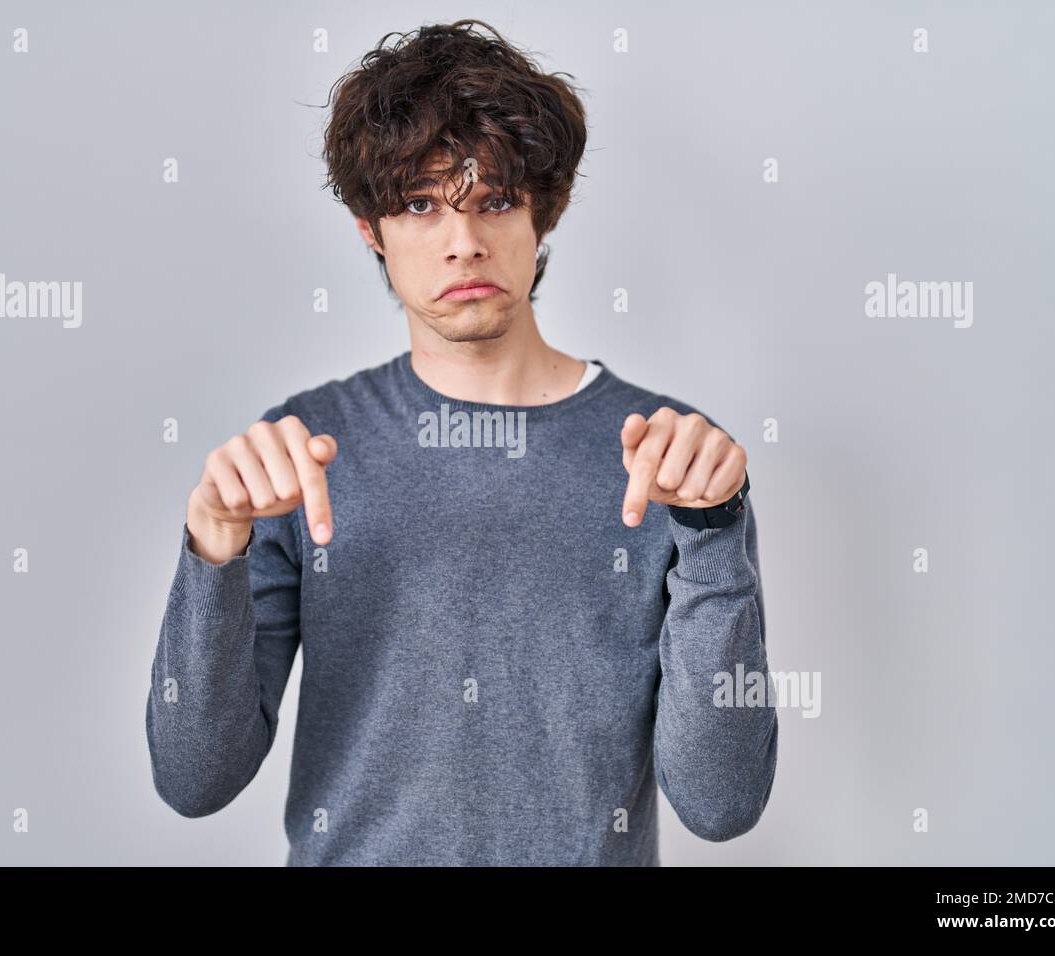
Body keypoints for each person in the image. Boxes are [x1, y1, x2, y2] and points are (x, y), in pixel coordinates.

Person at [146, 19, 777, 866]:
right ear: (373, 230)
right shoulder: (294, 458)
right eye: (419, 205)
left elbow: (721, 803)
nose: (463, 241)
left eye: (495, 201)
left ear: (541, 215)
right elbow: (195, 779)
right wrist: (212, 553)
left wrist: (713, 535)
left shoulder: (673, 463)